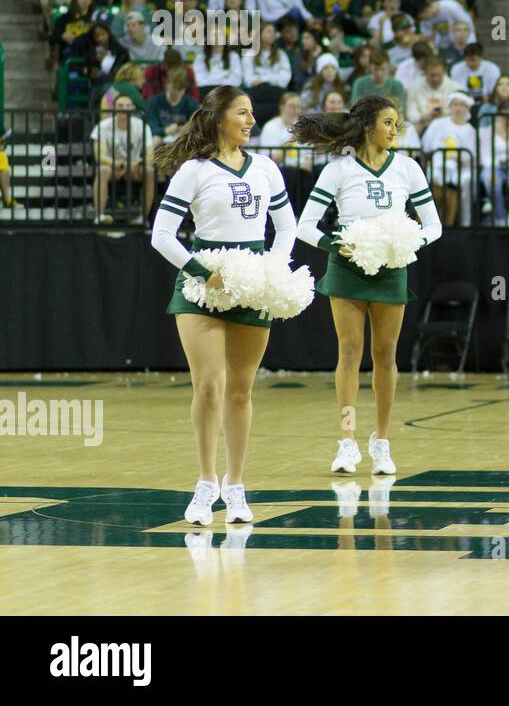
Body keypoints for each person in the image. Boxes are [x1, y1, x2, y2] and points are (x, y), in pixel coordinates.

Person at [150, 86, 298, 526]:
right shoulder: (194, 172)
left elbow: (286, 226)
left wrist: (271, 267)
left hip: (252, 282)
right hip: (203, 284)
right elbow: (162, 235)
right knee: (209, 386)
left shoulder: (267, 168)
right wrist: (202, 272)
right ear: (219, 119)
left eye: (252, 113)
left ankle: (235, 485)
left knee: (240, 389)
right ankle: (204, 482)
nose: (251, 121)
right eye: (243, 113)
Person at [294, 96, 443, 477]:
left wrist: (408, 245)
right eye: (388, 123)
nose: (394, 130)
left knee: (386, 354)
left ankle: (382, 440)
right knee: (348, 351)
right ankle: (347, 440)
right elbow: (305, 225)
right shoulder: (338, 170)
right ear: (367, 126)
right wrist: (336, 245)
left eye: (397, 123)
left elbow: (434, 225)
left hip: (393, 267)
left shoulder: (408, 168)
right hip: (347, 266)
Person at [91, 92, 154, 223]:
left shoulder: (142, 126)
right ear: (114, 108)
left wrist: (137, 162)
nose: (124, 109)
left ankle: (143, 218)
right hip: (113, 167)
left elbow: (150, 155)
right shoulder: (103, 126)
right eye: (120, 105)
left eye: (127, 105)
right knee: (102, 170)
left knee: (149, 171)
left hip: (134, 168)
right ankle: (99, 216)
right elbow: (99, 156)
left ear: (132, 108)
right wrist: (119, 164)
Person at [421, 91, 477, 225]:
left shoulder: (471, 131)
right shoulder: (438, 124)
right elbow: (426, 146)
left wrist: (456, 157)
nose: (458, 108)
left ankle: (465, 221)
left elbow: (471, 158)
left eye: (462, 105)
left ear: (467, 108)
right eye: (455, 104)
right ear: (450, 107)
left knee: (467, 180)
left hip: (462, 169)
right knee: (434, 176)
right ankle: (430, 221)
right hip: (438, 166)